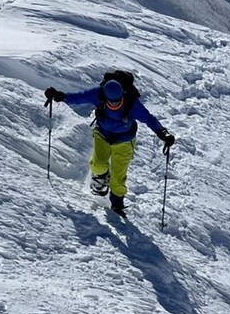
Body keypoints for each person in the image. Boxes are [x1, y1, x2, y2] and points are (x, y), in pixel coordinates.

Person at [45, 71, 175, 217]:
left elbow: (149, 119)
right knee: (98, 164)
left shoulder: (132, 103)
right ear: (105, 97)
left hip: (125, 141)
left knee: (119, 177)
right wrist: (59, 96)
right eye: (111, 102)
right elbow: (78, 97)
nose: (114, 104)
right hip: (102, 134)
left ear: (123, 95)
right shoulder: (98, 94)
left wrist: (163, 134)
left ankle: (117, 204)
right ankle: (102, 177)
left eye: (117, 101)